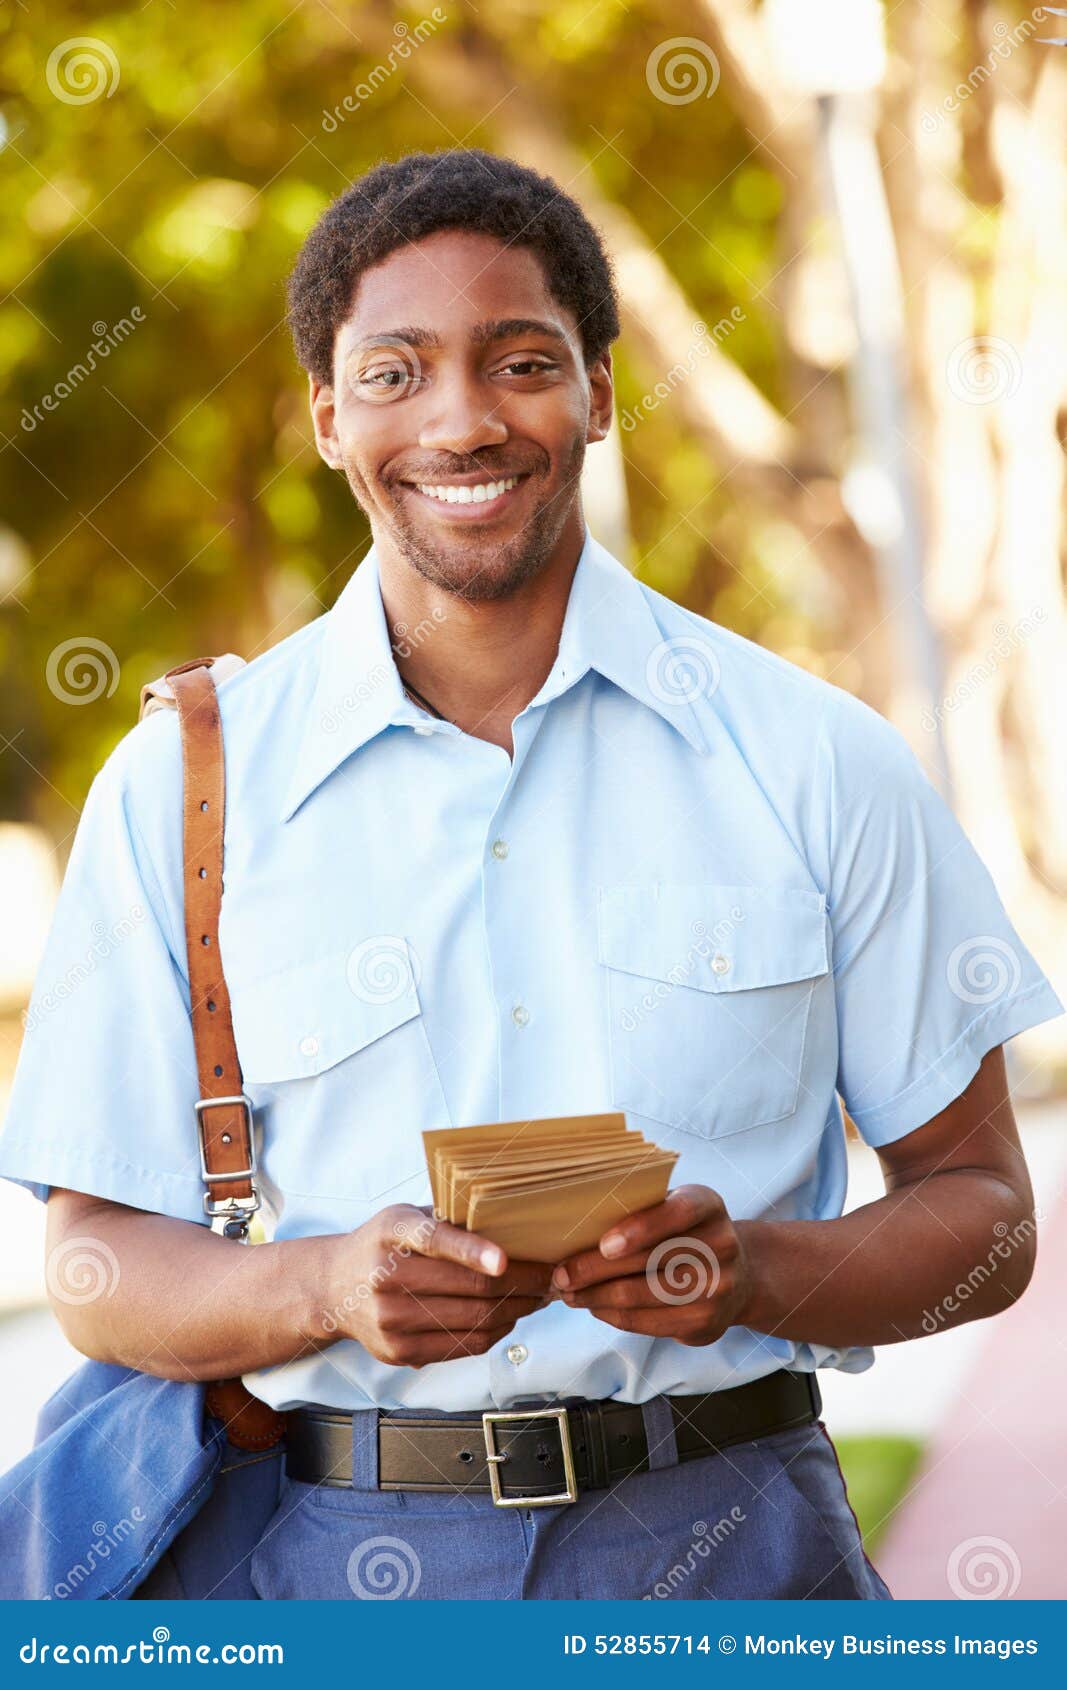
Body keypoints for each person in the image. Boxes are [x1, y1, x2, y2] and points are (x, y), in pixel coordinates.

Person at [1, 147, 1061, 1602]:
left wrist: (744, 1271)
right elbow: (93, 1266)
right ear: (326, 416)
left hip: (737, 1554)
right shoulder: (187, 789)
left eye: (521, 361)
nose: (461, 417)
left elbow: (984, 1213)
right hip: (340, 1577)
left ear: (602, 392)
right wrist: (323, 1286)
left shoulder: (815, 759)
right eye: (393, 372)